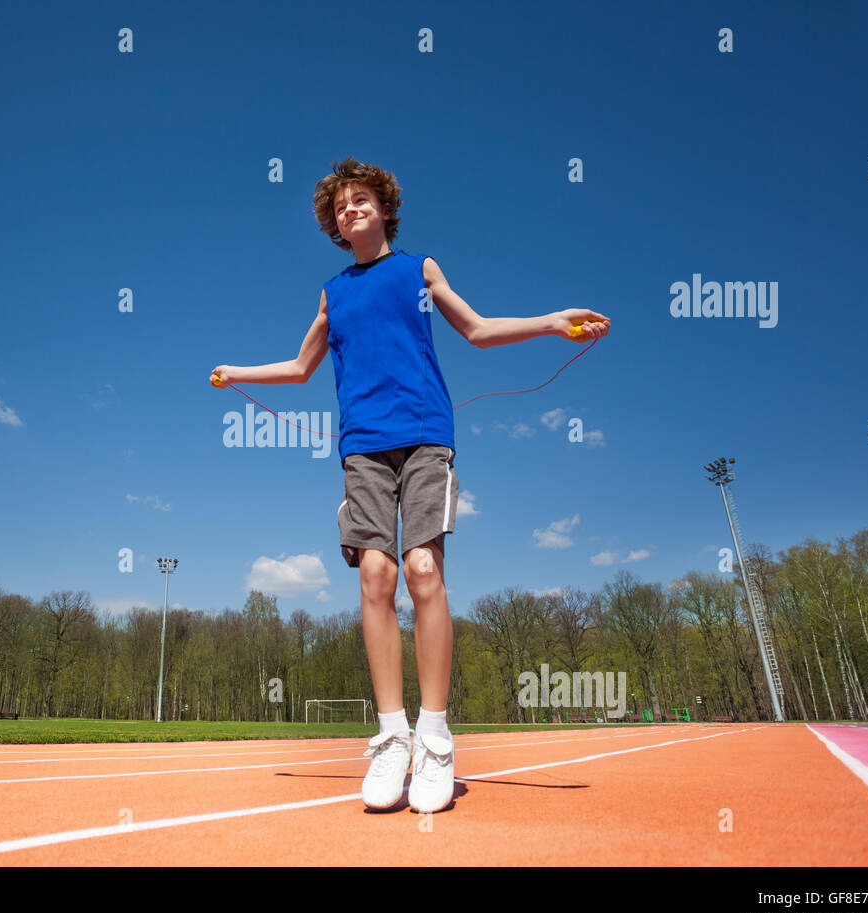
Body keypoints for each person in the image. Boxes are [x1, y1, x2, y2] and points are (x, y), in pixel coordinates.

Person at [210, 157, 610, 812]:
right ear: (334, 224)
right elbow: (302, 366)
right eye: (340, 206)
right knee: (376, 576)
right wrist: (238, 371)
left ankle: (433, 736)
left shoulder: (418, 269)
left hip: (426, 436)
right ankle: (391, 737)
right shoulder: (332, 292)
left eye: (361, 199)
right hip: (363, 447)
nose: (350, 210)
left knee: (423, 569)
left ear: (384, 208)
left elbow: (477, 330)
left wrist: (550, 321)